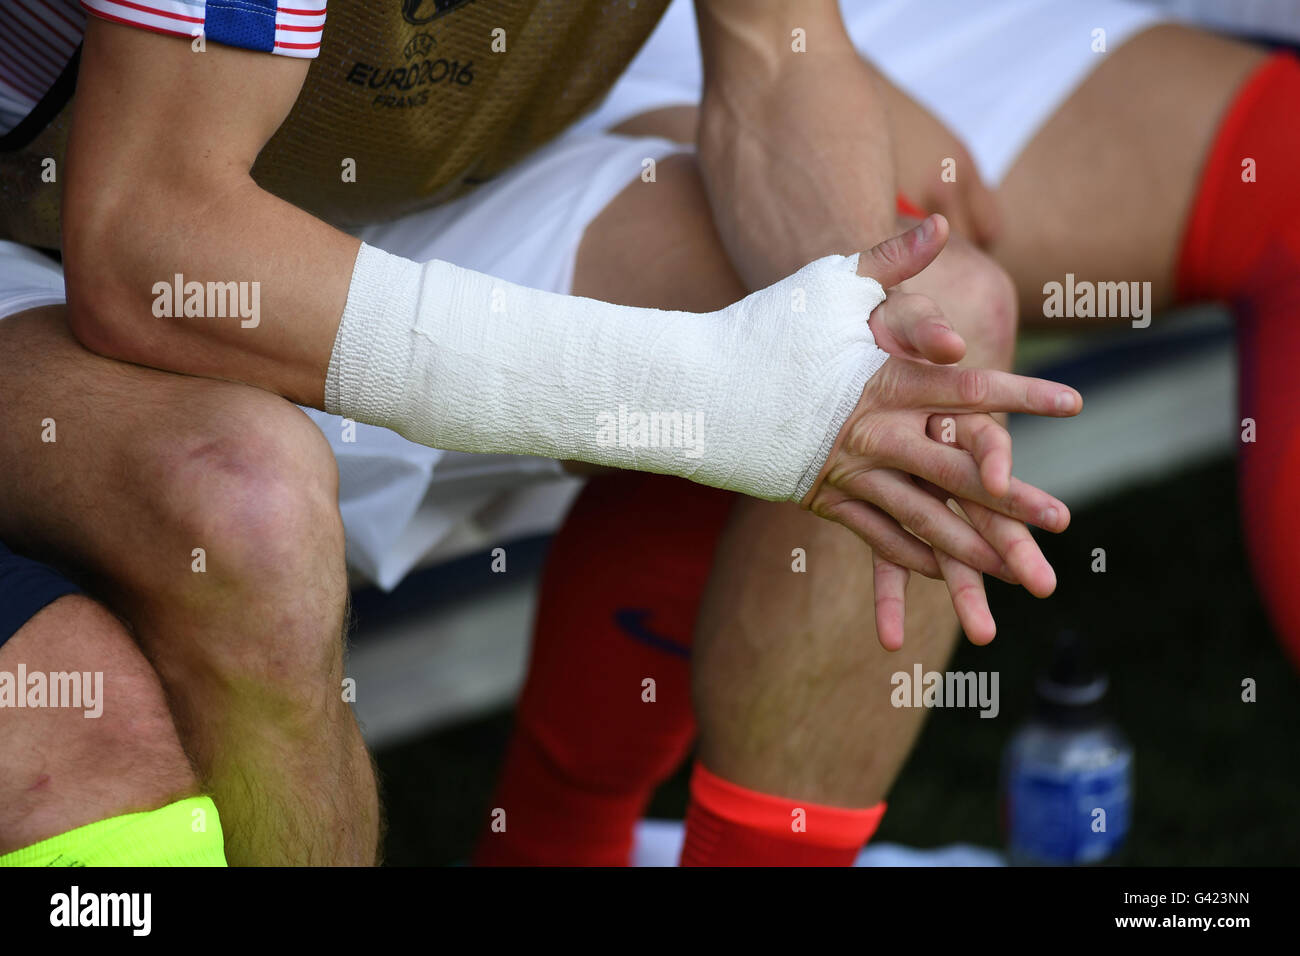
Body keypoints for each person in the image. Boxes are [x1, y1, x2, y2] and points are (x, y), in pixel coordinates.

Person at [0, 1, 1076, 865]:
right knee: (247, 506)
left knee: (923, 351)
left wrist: (836, 353)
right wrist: (709, 391)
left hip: (386, 195)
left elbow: (779, 56)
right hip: (52, 226)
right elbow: (149, 240)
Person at [479, 0, 1300, 865]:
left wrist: (822, 55)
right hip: (585, 46)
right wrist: (815, 70)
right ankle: (554, 841)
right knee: (870, 332)